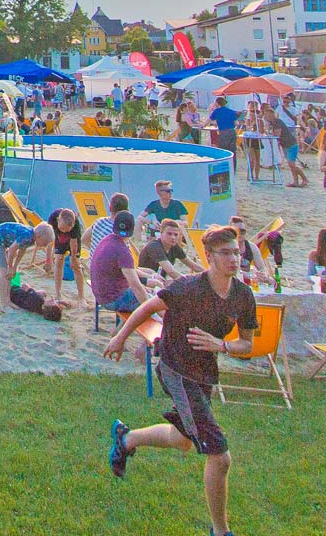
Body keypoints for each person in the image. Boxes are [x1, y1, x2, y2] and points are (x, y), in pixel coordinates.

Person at [104, 225, 257, 536]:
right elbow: (148, 306)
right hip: (175, 370)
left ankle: (126, 439)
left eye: (236, 252)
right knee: (219, 454)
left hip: (203, 374)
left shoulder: (242, 296)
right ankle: (221, 531)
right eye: (226, 253)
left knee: (183, 440)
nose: (234, 258)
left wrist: (222, 345)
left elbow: (248, 345)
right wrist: (121, 337)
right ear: (209, 257)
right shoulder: (188, 288)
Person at [89, 211, 152, 314]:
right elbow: (135, 285)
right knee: (153, 300)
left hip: (101, 295)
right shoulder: (122, 251)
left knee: (144, 292)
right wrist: (151, 308)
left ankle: (119, 329)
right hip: (112, 300)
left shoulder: (107, 240)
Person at [0, 219, 54, 310]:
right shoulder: (28, 235)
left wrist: (15, 267)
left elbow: (22, 250)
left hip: (3, 242)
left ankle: (3, 294)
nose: (45, 245)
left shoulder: (31, 238)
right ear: (39, 236)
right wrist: (10, 266)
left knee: (9, 273)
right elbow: (12, 249)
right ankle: (5, 301)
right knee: (5, 272)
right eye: (45, 242)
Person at [48, 207, 85, 300]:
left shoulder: (75, 224)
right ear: (58, 220)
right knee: (58, 261)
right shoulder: (53, 218)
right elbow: (49, 240)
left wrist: (73, 258)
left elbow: (74, 242)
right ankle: (58, 294)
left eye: (67, 230)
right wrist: (48, 260)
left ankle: (81, 297)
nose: (64, 231)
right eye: (62, 228)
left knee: (76, 266)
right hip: (59, 238)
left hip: (73, 240)